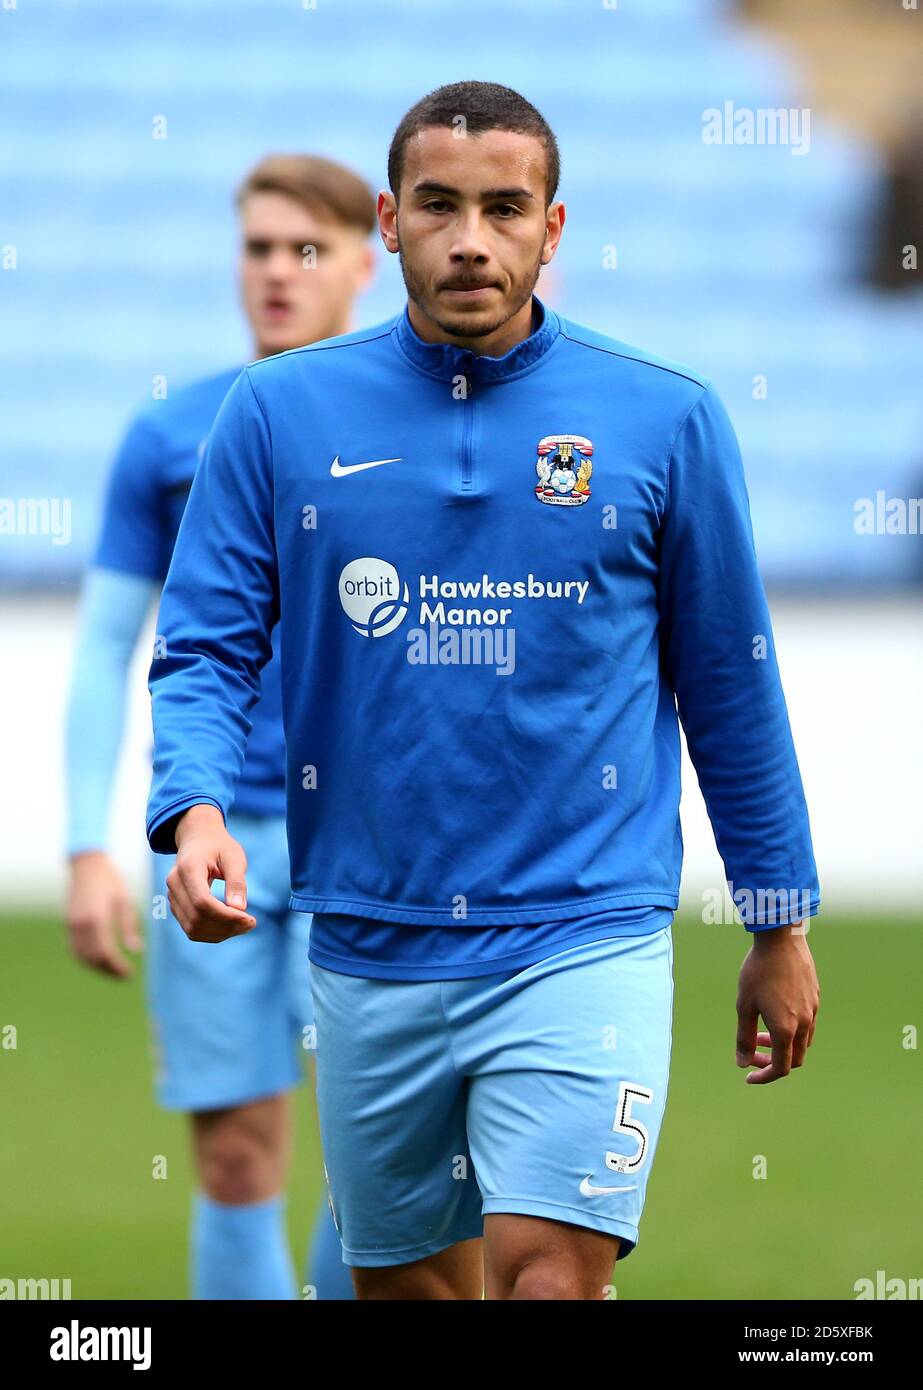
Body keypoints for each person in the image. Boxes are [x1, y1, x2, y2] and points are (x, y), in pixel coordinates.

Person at [145, 82, 822, 1301]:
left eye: (503, 208)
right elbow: (203, 647)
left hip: (581, 931)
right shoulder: (278, 416)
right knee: (412, 1290)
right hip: (369, 942)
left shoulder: (663, 418)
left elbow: (730, 679)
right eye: (438, 205)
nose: (470, 238)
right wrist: (192, 812)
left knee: (548, 1277)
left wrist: (777, 918)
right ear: (388, 224)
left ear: (551, 228)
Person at [64, 153, 376, 1300]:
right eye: (256, 248)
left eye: (306, 248)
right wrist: (86, 843)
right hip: (213, 832)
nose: (276, 273)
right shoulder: (170, 435)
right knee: (236, 1149)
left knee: (378, 1162)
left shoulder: (423, 426)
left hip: (372, 841)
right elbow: (109, 645)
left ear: (367, 257)